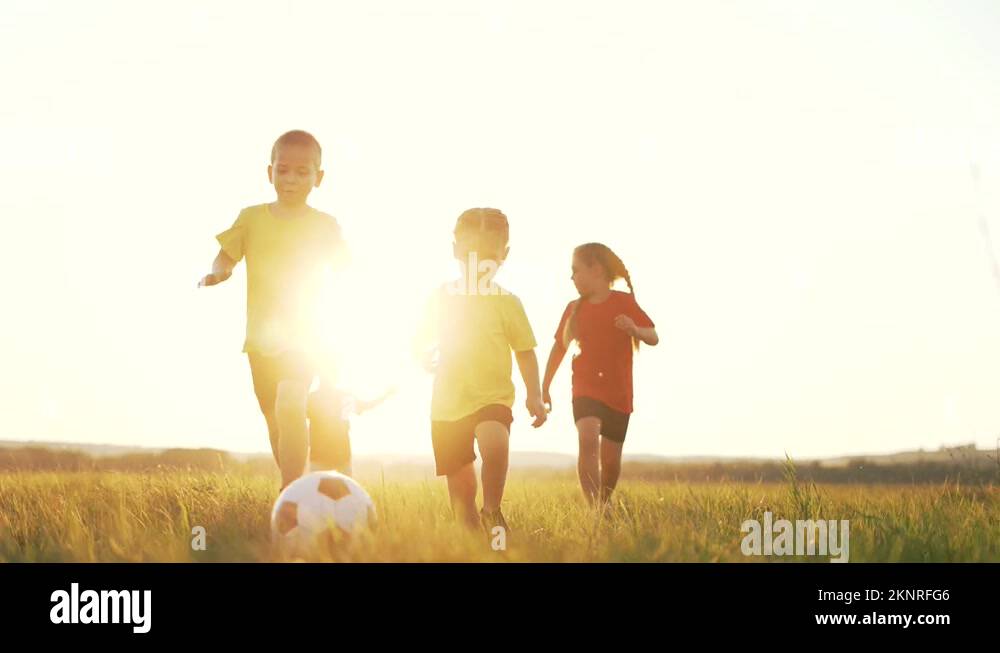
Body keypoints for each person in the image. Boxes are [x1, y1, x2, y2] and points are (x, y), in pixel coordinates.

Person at [198, 129, 348, 490]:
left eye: (301, 172)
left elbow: (346, 268)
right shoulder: (251, 218)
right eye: (283, 171)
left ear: (318, 178)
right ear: (270, 173)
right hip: (260, 339)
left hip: (305, 335)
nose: (291, 180)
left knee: (290, 401)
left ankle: (293, 489)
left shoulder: (325, 225)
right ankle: (296, 481)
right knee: (276, 421)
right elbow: (227, 254)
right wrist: (218, 273)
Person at [414, 208, 547, 534]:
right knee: (461, 492)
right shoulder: (442, 298)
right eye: (471, 254)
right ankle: (475, 542)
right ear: (456, 250)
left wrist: (535, 394)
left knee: (495, 443)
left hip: (492, 397)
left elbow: (525, 352)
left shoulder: (508, 302)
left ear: (505, 255)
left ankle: (492, 509)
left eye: (489, 255)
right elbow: (420, 340)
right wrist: (422, 356)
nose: (479, 263)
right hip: (447, 405)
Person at [541, 243, 658, 505]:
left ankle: (604, 503)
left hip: (619, 392)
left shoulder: (624, 302)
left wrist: (635, 330)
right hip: (585, 387)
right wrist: (544, 386)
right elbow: (559, 348)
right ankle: (594, 508)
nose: (572, 277)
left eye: (576, 270)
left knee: (611, 462)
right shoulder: (573, 308)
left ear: (596, 270)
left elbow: (653, 336)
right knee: (587, 437)